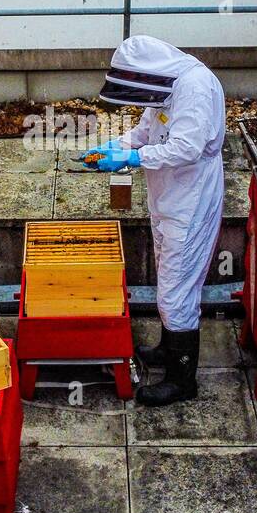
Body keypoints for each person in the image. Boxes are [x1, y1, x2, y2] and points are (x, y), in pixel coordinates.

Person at [83, 35, 226, 406]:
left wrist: (132, 160)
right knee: (168, 275)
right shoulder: (165, 83)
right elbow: (147, 130)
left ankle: (182, 380)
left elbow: (186, 147)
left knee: (177, 289)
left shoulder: (194, 87)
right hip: (169, 196)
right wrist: (119, 145)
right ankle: (168, 347)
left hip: (191, 200)